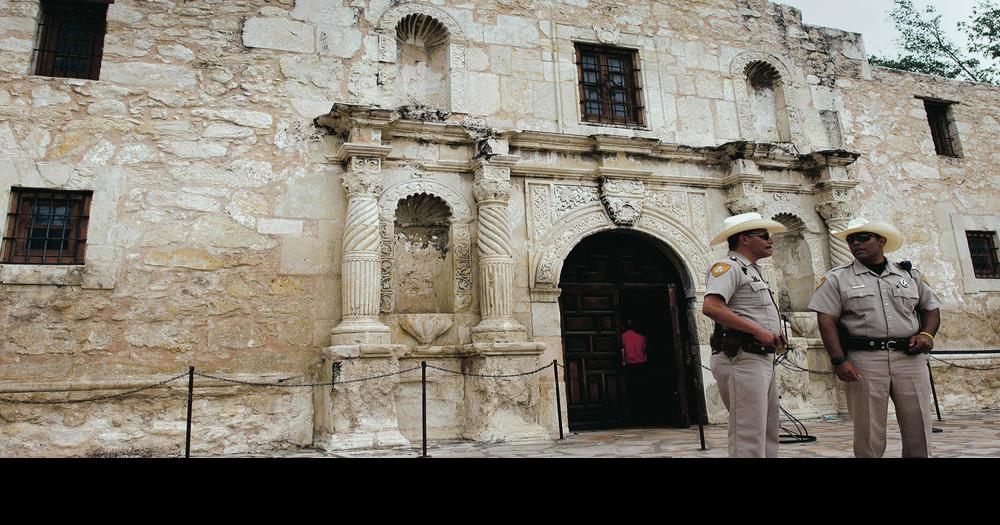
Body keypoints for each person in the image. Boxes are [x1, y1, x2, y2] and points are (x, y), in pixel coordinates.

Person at [808, 218, 941, 458]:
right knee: (869, 430)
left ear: (881, 241)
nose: (855, 243)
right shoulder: (837, 278)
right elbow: (826, 320)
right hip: (864, 359)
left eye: (862, 238)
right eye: (850, 240)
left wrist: (927, 334)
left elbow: (930, 308)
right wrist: (839, 360)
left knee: (919, 425)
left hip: (909, 358)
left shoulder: (909, 274)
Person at [701, 212, 788, 457]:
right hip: (741, 358)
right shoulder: (728, 267)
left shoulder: (752, 270)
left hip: (761, 357)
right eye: (764, 235)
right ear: (744, 239)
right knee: (747, 434)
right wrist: (758, 330)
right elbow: (712, 307)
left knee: (768, 430)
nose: (770, 240)